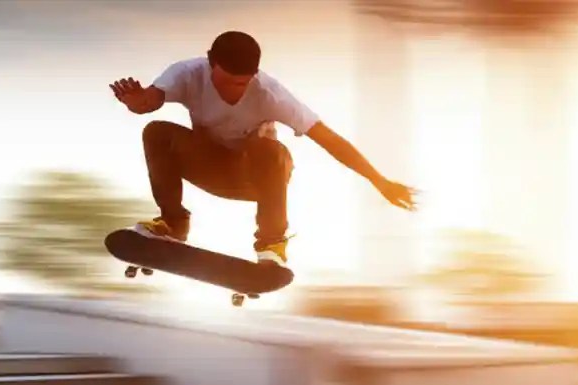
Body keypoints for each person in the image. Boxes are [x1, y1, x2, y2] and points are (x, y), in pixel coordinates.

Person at [110, 30, 416, 268]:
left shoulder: (271, 94)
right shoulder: (186, 74)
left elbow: (330, 140)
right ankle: (173, 223)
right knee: (157, 132)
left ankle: (272, 242)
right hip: (209, 168)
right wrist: (136, 103)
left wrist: (380, 181)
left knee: (269, 149)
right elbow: (150, 100)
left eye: (242, 84)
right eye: (227, 83)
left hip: (255, 179)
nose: (234, 93)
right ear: (209, 62)